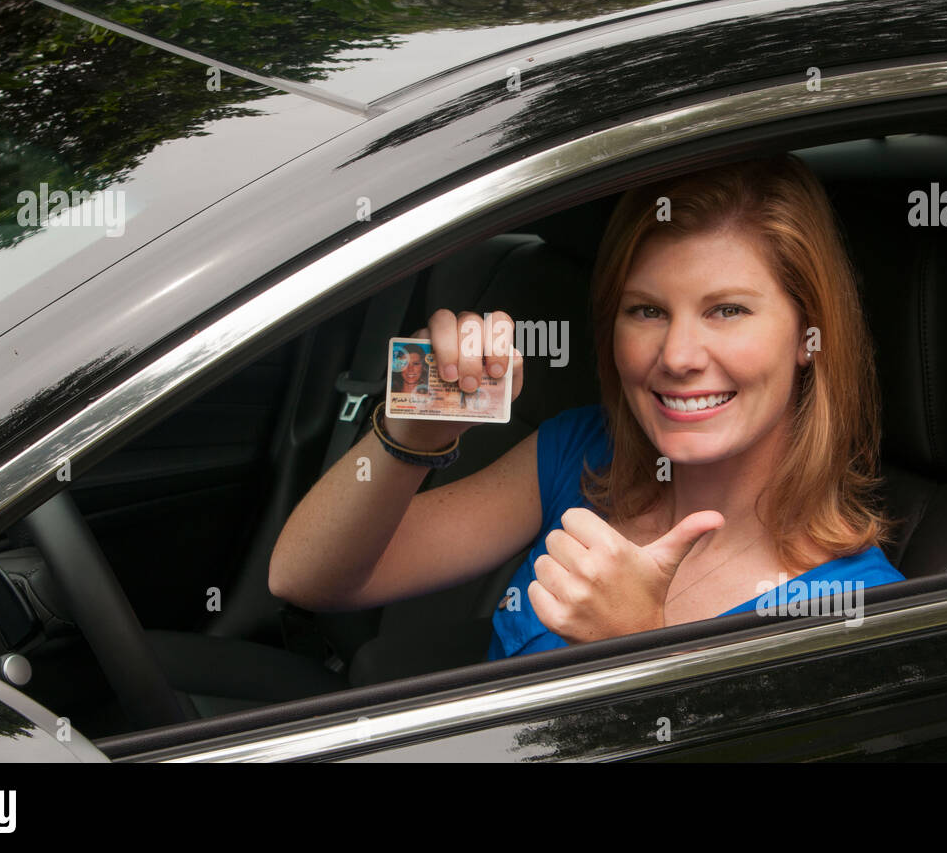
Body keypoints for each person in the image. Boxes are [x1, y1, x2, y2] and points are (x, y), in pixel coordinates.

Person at [269, 154, 904, 662]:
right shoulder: (580, 452)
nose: (678, 355)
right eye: (647, 310)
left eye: (727, 310)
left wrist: (635, 646)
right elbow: (308, 578)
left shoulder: (862, 609)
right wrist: (414, 429)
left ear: (808, 336)